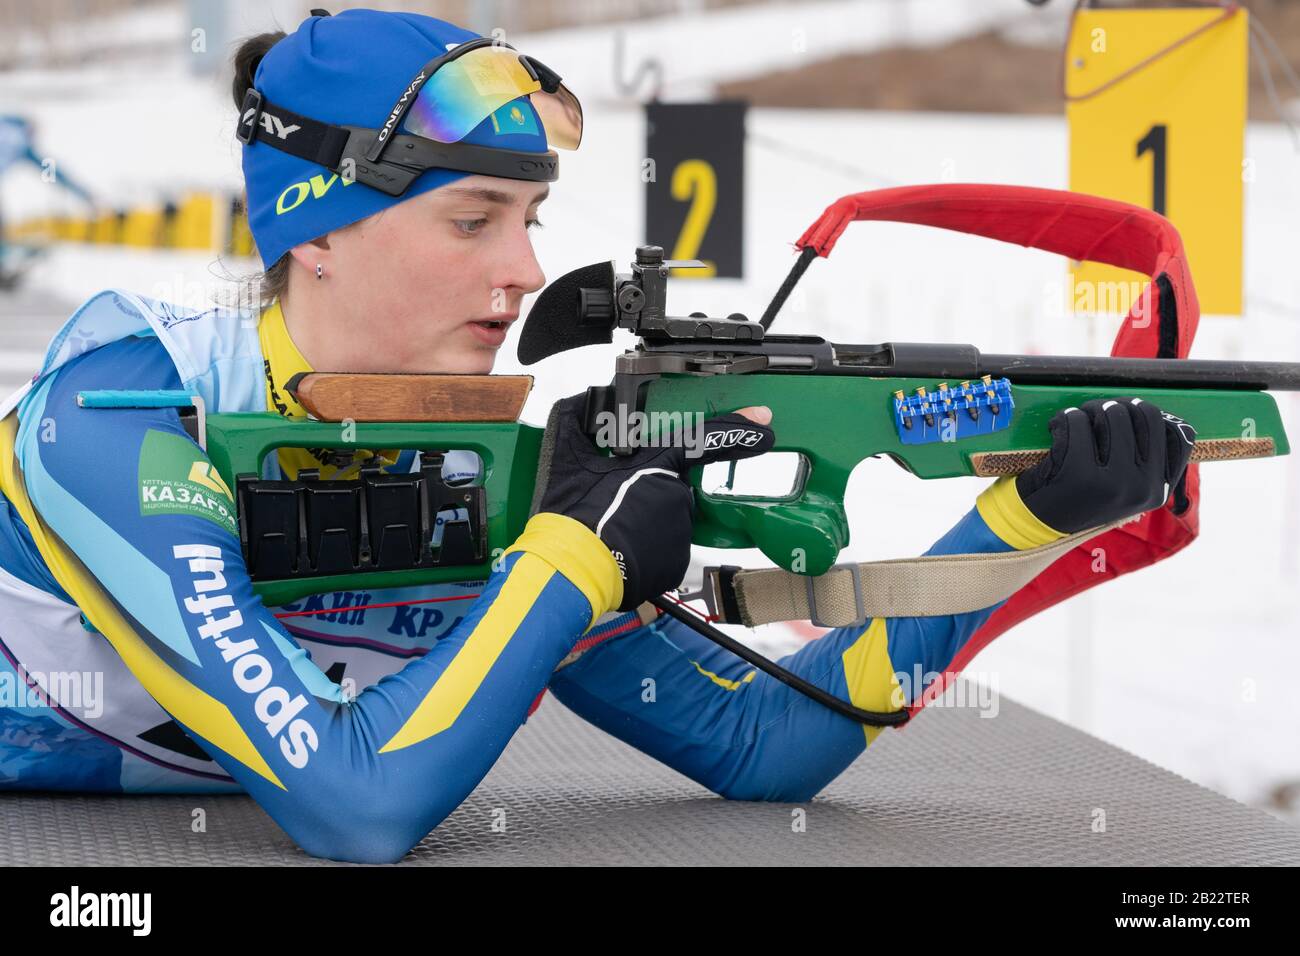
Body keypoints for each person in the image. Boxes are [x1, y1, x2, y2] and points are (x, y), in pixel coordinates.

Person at [0, 9, 1194, 863]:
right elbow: (351, 807)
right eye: (471, 220)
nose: (523, 272)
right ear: (313, 231)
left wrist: (1018, 521)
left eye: (529, 220)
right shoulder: (124, 403)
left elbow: (764, 741)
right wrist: (574, 552)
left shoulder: (492, 457)